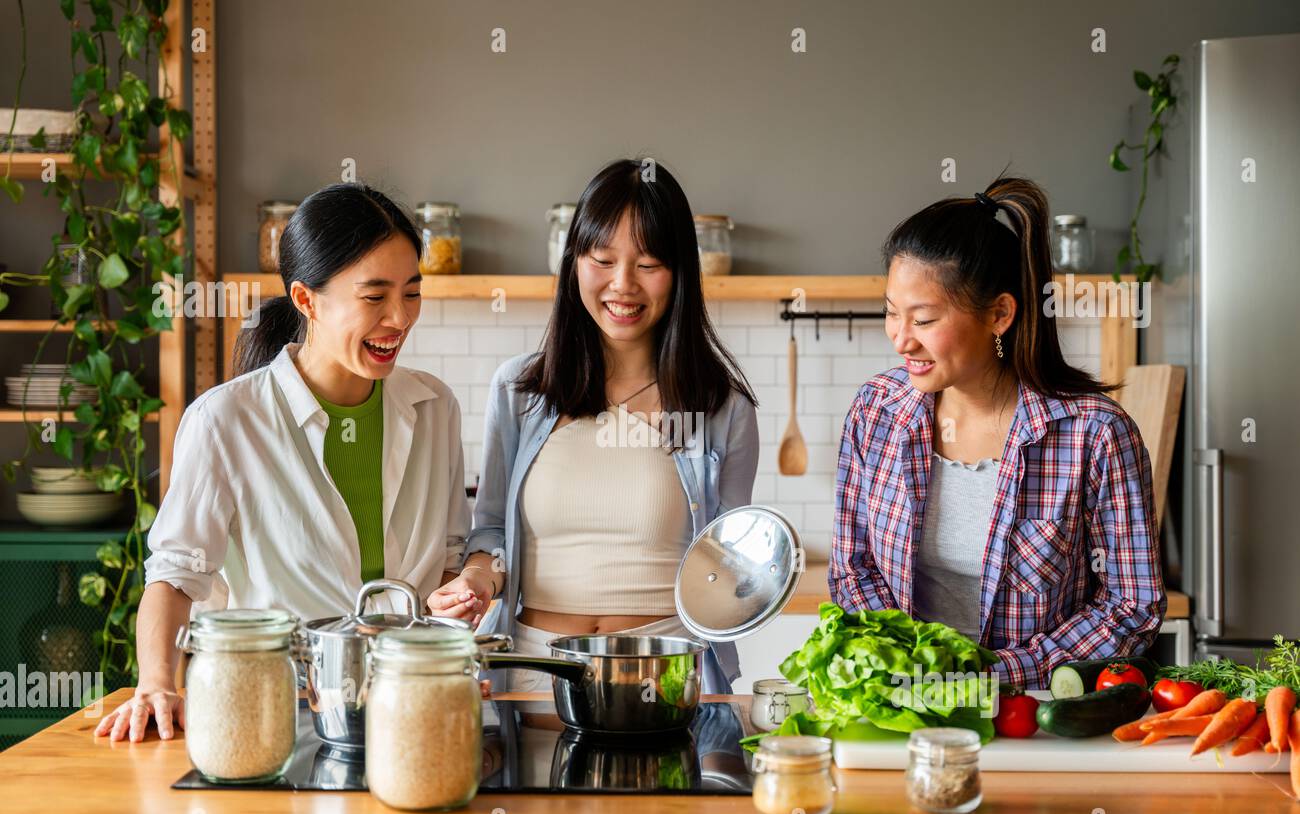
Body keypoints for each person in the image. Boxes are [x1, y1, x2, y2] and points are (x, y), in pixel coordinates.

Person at [96, 182, 481, 743]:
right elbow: (176, 577)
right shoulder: (227, 421)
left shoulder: (434, 406)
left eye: (412, 293)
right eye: (374, 297)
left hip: (410, 714)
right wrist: (157, 683)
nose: (399, 318)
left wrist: (454, 630)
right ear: (306, 300)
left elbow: (447, 560)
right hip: (271, 714)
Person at [830, 176, 1166, 689]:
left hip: (1035, 713)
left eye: (924, 319)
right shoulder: (876, 412)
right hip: (904, 706)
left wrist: (991, 674)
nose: (901, 340)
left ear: (999, 314)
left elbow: (1130, 605)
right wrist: (909, 664)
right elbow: (852, 569)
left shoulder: (1094, 434)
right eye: (891, 313)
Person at [445, 158, 759, 694]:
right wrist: (477, 577)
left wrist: (750, 579)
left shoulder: (720, 408)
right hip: (535, 677)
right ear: (574, 263)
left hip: (666, 683)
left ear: (681, 270)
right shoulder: (520, 392)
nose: (623, 284)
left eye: (649, 263)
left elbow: (727, 564)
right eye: (603, 258)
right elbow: (492, 528)